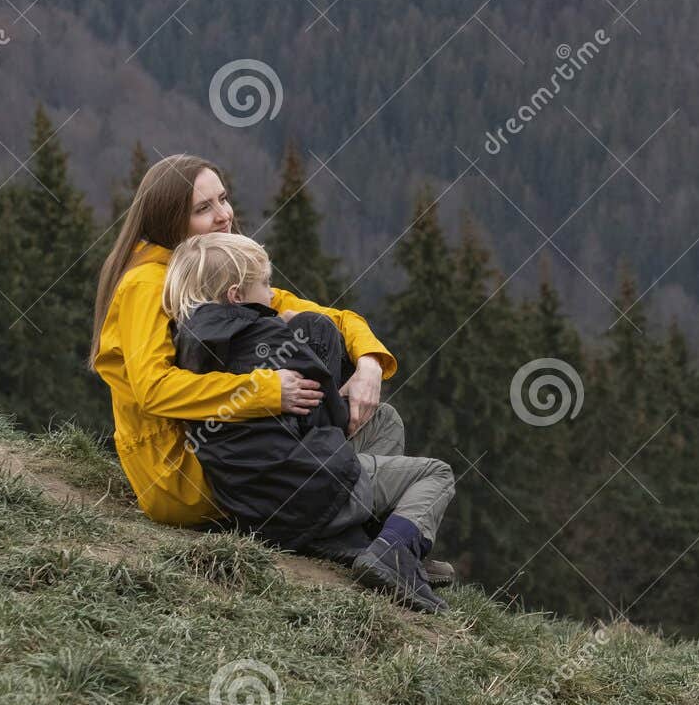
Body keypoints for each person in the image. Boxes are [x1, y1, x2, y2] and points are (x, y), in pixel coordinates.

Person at [89, 154, 452, 589]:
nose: (223, 214)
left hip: (228, 452)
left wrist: (370, 362)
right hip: (185, 475)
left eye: (222, 198)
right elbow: (154, 388)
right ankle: (373, 542)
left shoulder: (211, 266)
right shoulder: (149, 285)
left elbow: (330, 317)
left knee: (381, 417)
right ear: (170, 219)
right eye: (202, 209)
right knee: (423, 467)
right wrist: (264, 391)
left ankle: (372, 541)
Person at [164, 232, 456, 612]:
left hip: (255, 500)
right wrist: (311, 337)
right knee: (435, 474)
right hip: (303, 490)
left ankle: (365, 540)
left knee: (383, 420)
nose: (271, 296)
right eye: (265, 285)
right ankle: (394, 554)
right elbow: (326, 417)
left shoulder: (187, 342)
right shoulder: (265, 336)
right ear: (236, 295)